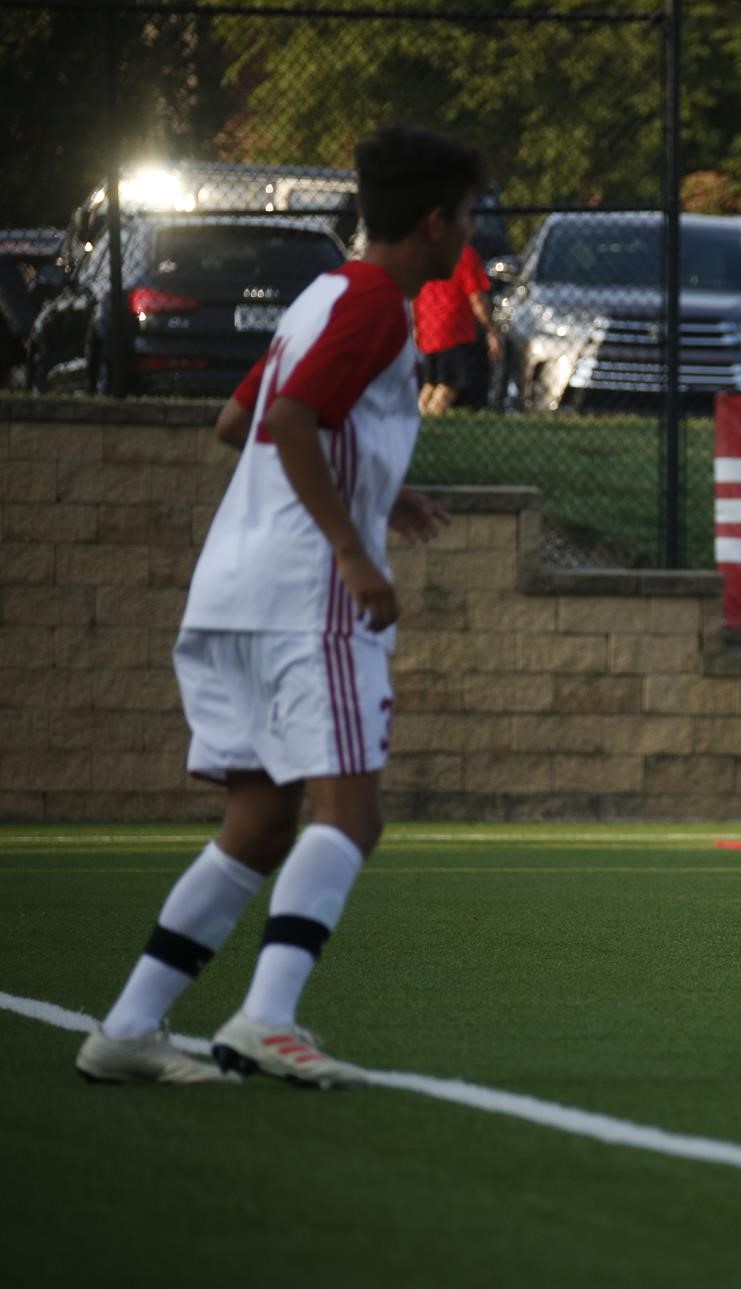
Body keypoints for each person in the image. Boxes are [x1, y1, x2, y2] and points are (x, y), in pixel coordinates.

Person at [74, 126, 483, 1086]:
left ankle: (127, 1028)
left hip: (232, 592)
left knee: (260, 823)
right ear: (435, 224)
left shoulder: (320, 295)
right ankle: (267, 1015)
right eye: (467, 217)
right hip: (308, 599)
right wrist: (352, 543)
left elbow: (240, 420)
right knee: (353, 813)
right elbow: (293, 419)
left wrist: (381, 494)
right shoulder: (381, 306)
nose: (470, 235)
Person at [414, 240, 500, 413]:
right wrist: (491, 330)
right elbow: (477, 297)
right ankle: (431, 423)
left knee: (431, 383)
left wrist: (416, 326)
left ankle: (419, 419)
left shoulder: (427, 252)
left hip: (427, 328)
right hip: (453, 330)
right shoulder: (464, 254)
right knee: (449, 384)